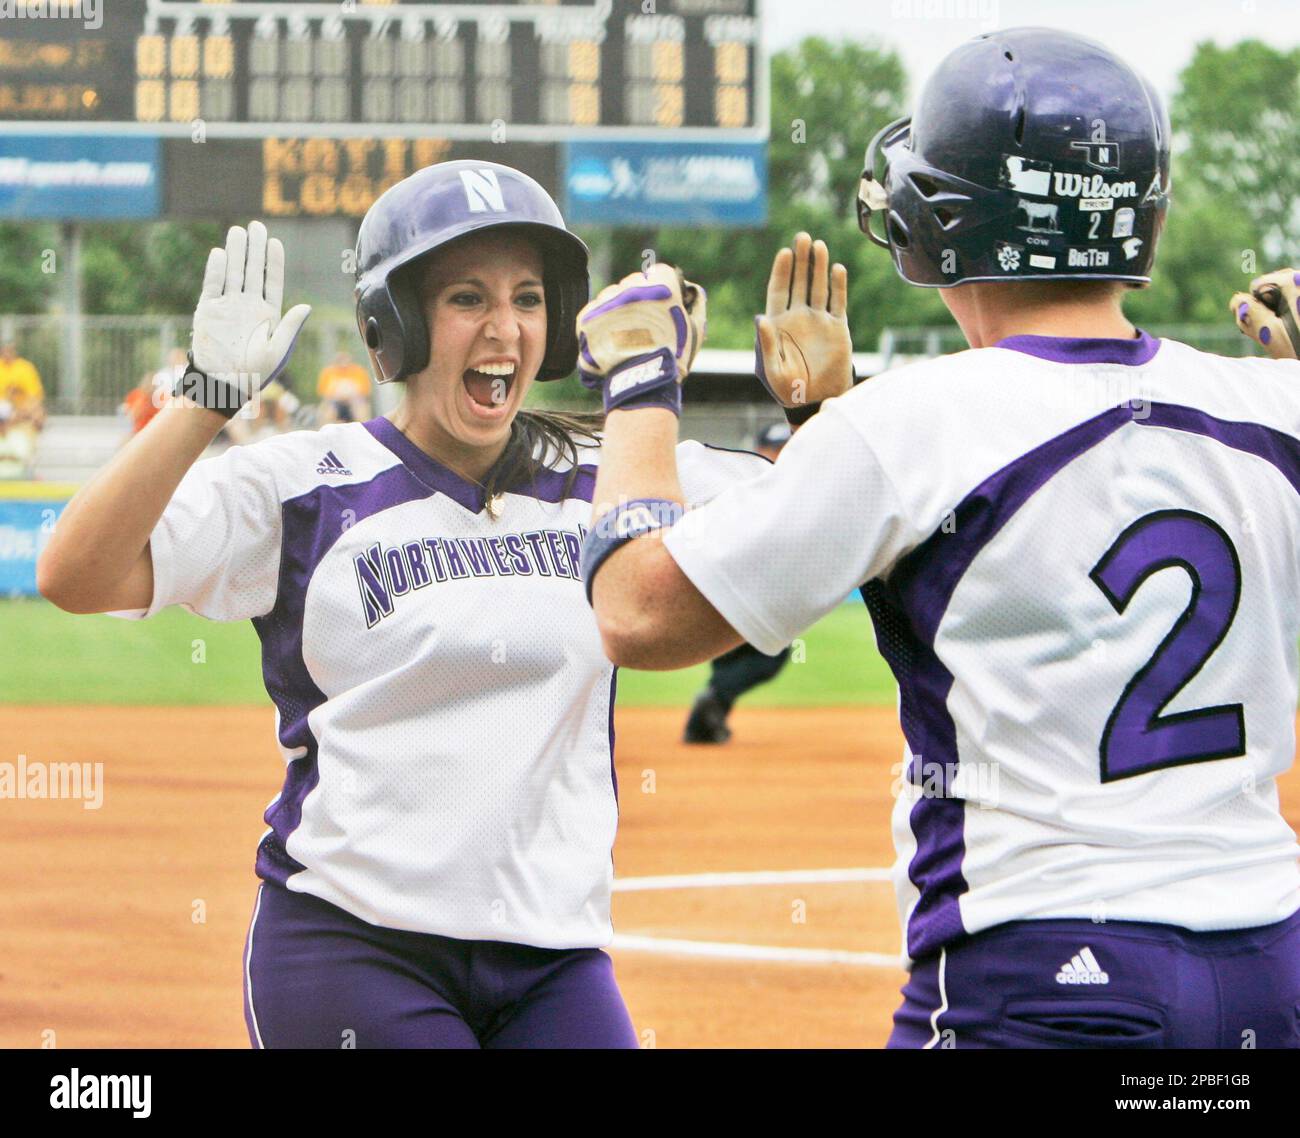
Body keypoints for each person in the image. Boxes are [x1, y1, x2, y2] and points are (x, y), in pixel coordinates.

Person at [578, 27, 1300, 1049]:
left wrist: (638, 384)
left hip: (1048, 975)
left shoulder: (910, 421)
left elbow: (638, 611)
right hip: (1265, 972)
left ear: (943, 218)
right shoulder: (1269, 406)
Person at [35, 161, 817, 1049]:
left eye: (528, 298)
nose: (504, 328)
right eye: (464, 299)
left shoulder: (611, 480)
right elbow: (77, 573)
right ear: (392, 331)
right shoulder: (309, 487)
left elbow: (834, 519)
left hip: (553, 957)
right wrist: (203, 400)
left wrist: (816, 408)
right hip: (352, 946)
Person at [682, 421, 794, 744]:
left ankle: (707, 720)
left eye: (785, 448)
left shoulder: (765, 483)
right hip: (741, 579)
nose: (780, 454)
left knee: (735, 654)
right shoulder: (751, 483)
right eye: (775, 448)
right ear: (759, 450)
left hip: (729, 580)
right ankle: (712, 703)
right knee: (771, 654)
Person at [316, 348, 372, 424]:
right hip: (334, 401)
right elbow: (323, 391)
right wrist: (338, 392)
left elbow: (365, 390)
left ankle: (365, 428)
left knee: (362, 410)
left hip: (355, 400)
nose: (343, 362)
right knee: (327, 411)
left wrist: (350, 393)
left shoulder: (358, 371)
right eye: (340, 360)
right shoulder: (329, 372)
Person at [0, 342, 45, 433]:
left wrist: (23, 409)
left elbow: (35, 395)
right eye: (5, 350)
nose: (7, 353)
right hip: (3, 406)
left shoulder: (25, 368)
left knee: (37, 414)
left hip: (21, 407)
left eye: (10, 350)